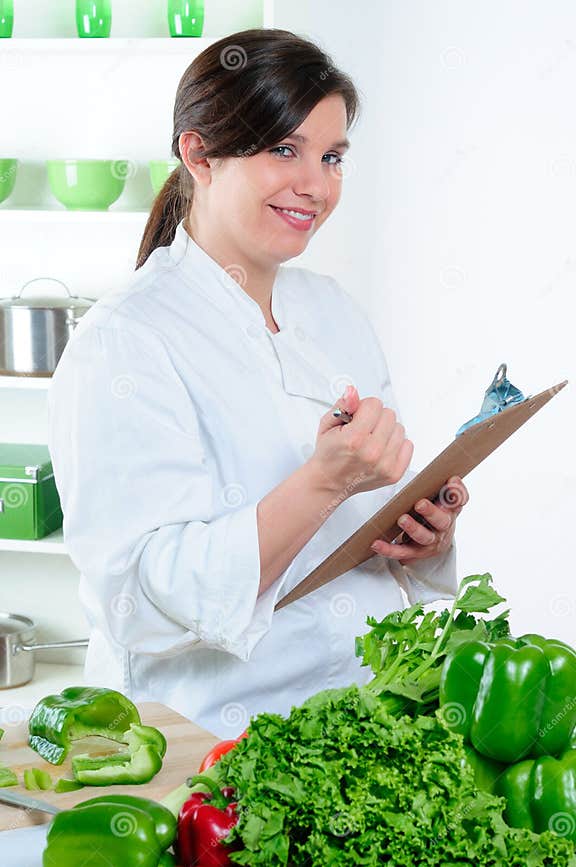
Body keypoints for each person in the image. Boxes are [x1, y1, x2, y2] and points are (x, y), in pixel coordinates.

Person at [47, 28, 469, 738]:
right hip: (214, 742)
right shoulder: (124, 344)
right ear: (198, 154)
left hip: (371, 715)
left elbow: (360, 528)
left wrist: (420, 534)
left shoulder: (333, 310)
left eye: (331, 157)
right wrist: (323, 482)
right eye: (284, 149)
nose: (316, 184)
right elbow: (145, 598)